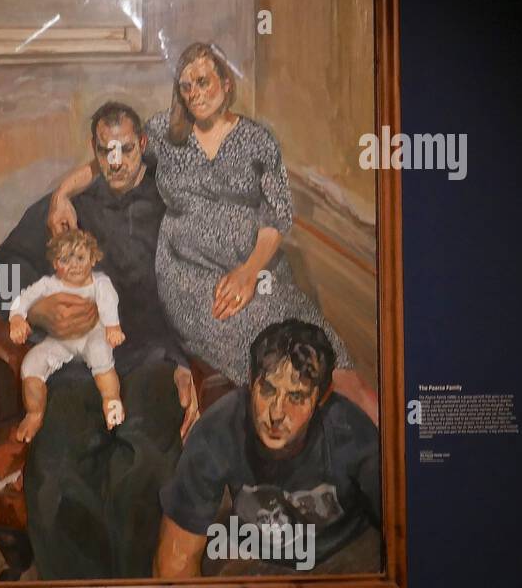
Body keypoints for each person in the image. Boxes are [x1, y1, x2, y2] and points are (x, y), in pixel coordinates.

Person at [48, 43, 378, 424]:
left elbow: (277, 216)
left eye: (203, 82)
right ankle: (307, 430)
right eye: (186, 86)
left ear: (225, 82)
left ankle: (380, 448)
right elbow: (107, 160)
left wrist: (249, 271)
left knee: (326, 351)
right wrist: (61, 195)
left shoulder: (258, 140)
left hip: (255, 272)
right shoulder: (164, 134)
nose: (195, 94)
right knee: (278, 352)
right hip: (188, 278)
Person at [0, 102, 196, 580]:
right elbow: (0, 268)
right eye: (106, 152)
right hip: (75, 360)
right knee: (58, 468)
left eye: (125, 149)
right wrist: (36, 310)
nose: (116, 162)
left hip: (150, 355)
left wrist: (184, 362)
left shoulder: (173, 195)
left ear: (143, 145)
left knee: (143, 463)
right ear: (94, 153)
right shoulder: (69, 206)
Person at [155, 319, 381, 577]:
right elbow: (175, 560)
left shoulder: (352, 433)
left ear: (322, 397)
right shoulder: (218, 430)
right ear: (251, 382)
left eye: (296, 397)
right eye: (268, 389)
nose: (276, 413)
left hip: (346, 554)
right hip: (256, 560)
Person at [7, 228, 125, 442]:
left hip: (92, 335)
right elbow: (22, 298)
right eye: (65, 259)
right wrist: (16, 318)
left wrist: (112, 326)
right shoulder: (48, 284)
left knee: (101, 354)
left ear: (93, 259)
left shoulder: (100, 283)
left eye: (80, 257)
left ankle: (111, 401)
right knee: (31, 364)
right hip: (61, 341)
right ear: (55, 264)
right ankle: (34, 413)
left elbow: (109, 302)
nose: (74, 265)